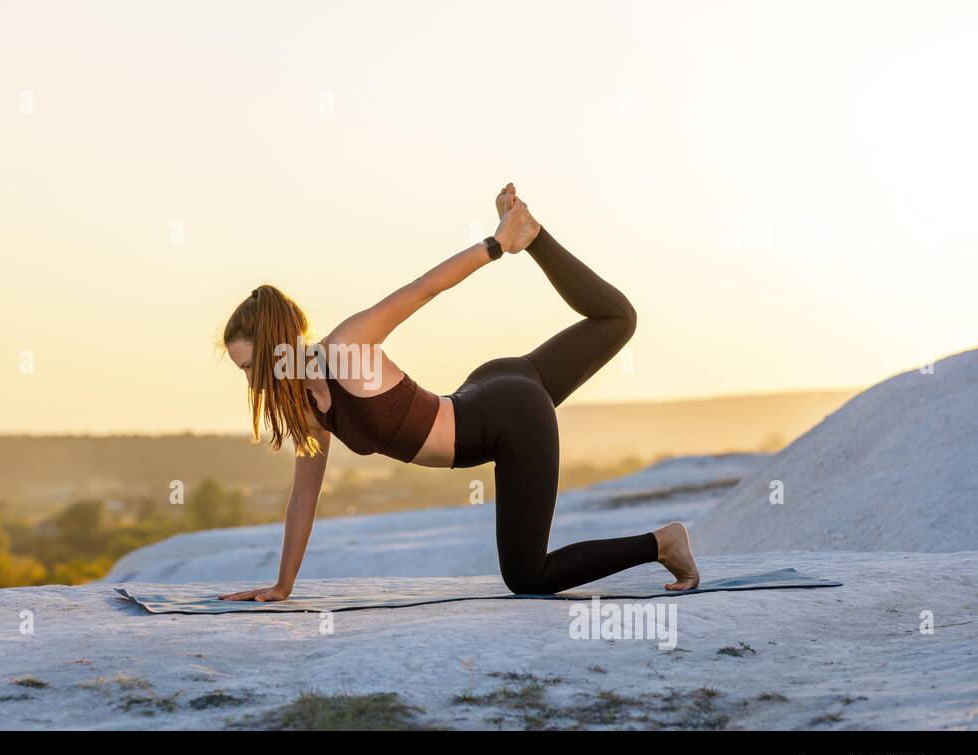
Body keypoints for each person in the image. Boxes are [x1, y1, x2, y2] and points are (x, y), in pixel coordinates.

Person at [219, 183, 699, 602]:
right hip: (490, 389)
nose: (251, 381)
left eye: (249, 366)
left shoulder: (344, 349)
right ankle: (532, 234)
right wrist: (283, 586)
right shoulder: (308, 411)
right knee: (617, 321)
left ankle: (663, 544)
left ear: (272, 348)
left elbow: (424, 288)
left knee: (528, 576)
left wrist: (496, 244)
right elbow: (304, 499)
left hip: (507, 417)